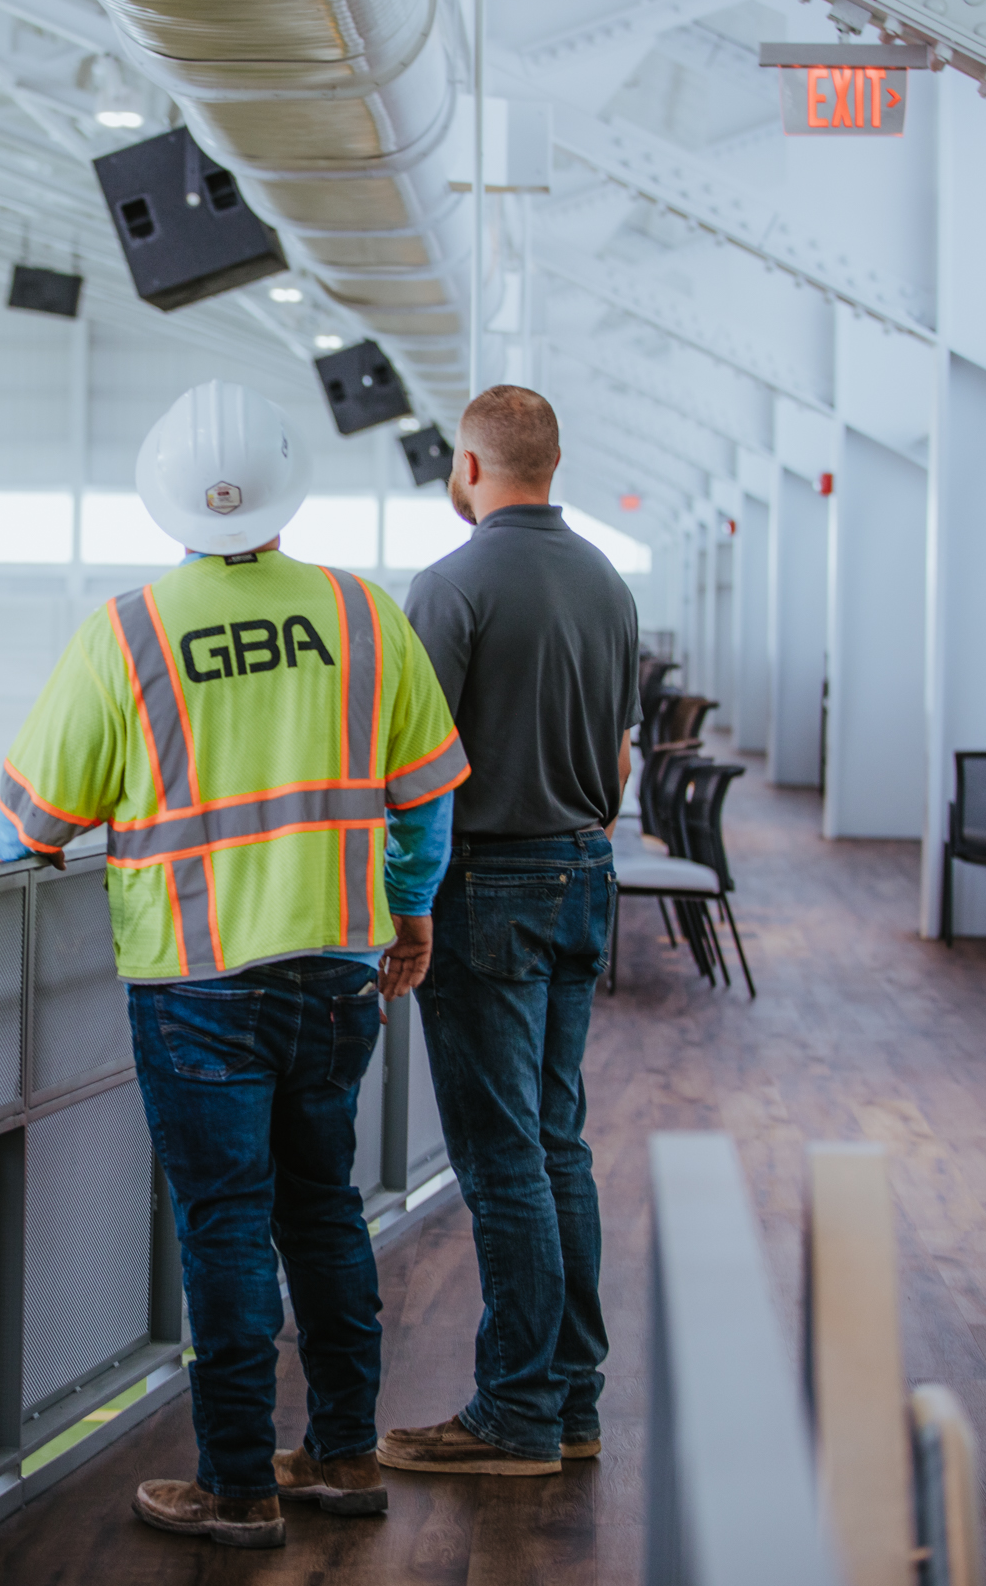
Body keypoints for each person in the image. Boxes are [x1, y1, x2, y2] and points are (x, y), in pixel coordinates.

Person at [0, 381, 469, 1548]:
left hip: (195, 990)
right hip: (341, 972)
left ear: (169, 507)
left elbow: (26, 829)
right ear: (287, 496)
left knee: (224, 1229)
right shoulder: (362, 617)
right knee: (326, 1216)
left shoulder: (128, 634)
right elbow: (427, 806)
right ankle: (347, 1455)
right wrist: (408, 916)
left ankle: (240, 1482)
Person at [377, 385, 638, 1480]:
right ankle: (571, 1397)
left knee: (500, 1159)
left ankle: (517, 1412)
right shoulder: (608, 585)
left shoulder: (450, 587)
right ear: (555, 461)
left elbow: (417, 776)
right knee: (557, 1138)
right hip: (587, 870)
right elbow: (621, 761)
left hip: (490, 887)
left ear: (469, 471)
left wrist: (410, 907)